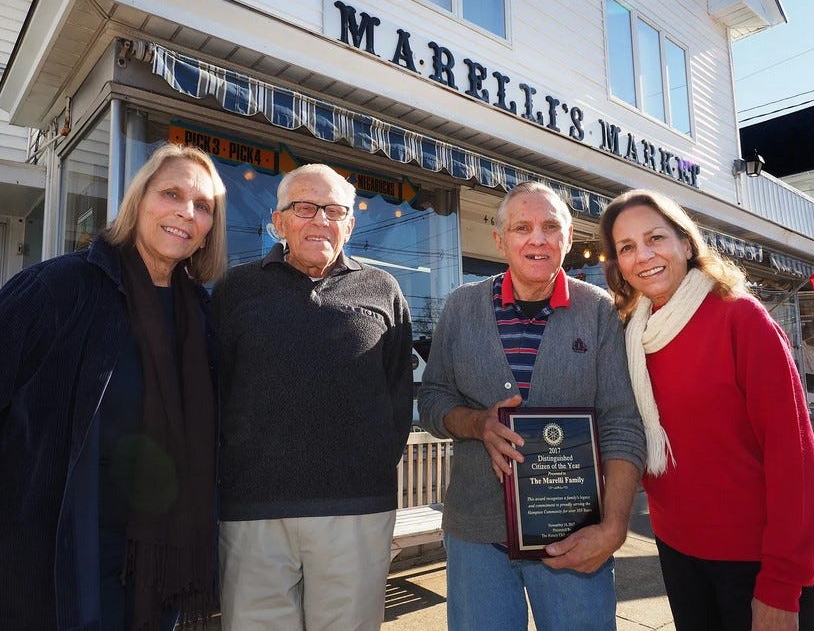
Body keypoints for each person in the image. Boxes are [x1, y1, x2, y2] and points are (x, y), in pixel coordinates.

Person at [0, 143, 228, 630]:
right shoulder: (60, 288)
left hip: (159, 565)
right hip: (59, 552)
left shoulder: (203, 320)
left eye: (203, 205)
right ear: (139, 199)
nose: (186, 213)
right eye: (172, 193)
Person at [417, 181, 646, 630]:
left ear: (567, 237)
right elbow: (432, 398)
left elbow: (623, 423)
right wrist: (477, 423)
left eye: (550, 227)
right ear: (500, 240)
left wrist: (614, 527)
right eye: (522, 227)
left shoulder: (601, 312)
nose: (537, 239)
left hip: (575, 535)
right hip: (476, 534)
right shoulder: (462, 307)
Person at [599, 188, 814, 631]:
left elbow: (793, 458)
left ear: (686, 242)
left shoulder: (740, 318)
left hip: (755, 563)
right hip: (679, 554)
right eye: (627, 247)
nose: (643, 255)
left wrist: (780, 583)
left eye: (655, 238)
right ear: (619, 265)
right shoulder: (632, 333)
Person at [213, 163, 413, 631]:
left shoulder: (383, 290)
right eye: (304, 207)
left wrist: (372, 468)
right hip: (253, 511)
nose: (320, 219)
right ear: (278, 221)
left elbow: (398, 393)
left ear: (350, 224)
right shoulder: (234, 290)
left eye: (334, 210)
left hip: (356, 509)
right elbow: (216, 390)